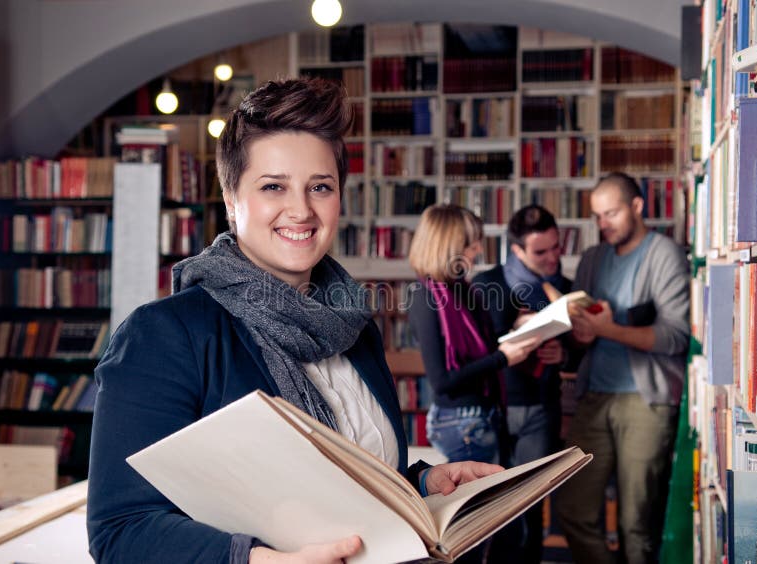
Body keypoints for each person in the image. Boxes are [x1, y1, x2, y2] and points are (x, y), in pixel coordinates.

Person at [86, 78, 503, 564]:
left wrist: (424, 482)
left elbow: (349, 486)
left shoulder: (355, 327)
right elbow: (120, 532)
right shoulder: (164, 335)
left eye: (320, 187)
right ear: (230, 200)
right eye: (273, 186)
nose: (301, 210)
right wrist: (258, 561)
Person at [554, 172, 690, 564]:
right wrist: (580, 331)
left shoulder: (664, 254)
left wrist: (607, 328)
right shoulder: (592, 259)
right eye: (597, 216)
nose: (603, 224)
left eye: (611, 213)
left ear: (637, 206)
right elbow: (583, 339)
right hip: (594, 395)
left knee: (636, 523)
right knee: (574, 511)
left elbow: (674, 336)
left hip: (646, 402)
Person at [471, 204, 573, 563]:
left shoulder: (564, 289)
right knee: (493, 508)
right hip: (494, 407)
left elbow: (578, 354)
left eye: (556, 248)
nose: (551, 258)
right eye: (540, 251)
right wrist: (512, 333)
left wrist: (562, 354)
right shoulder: (486, 285)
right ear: (516, 250)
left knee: (531, 505)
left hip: (541, 408)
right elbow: (471, 352)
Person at [407, 204, 540, 467]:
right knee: (481, 507)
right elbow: (443, 381)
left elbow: (485, 351)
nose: (479, 250)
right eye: (471, 244)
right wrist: (503, 359)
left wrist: (519, 329)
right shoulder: (425, 298)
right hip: (461, 422)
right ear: (449, 248)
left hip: (487, 414)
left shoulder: (466, 290)